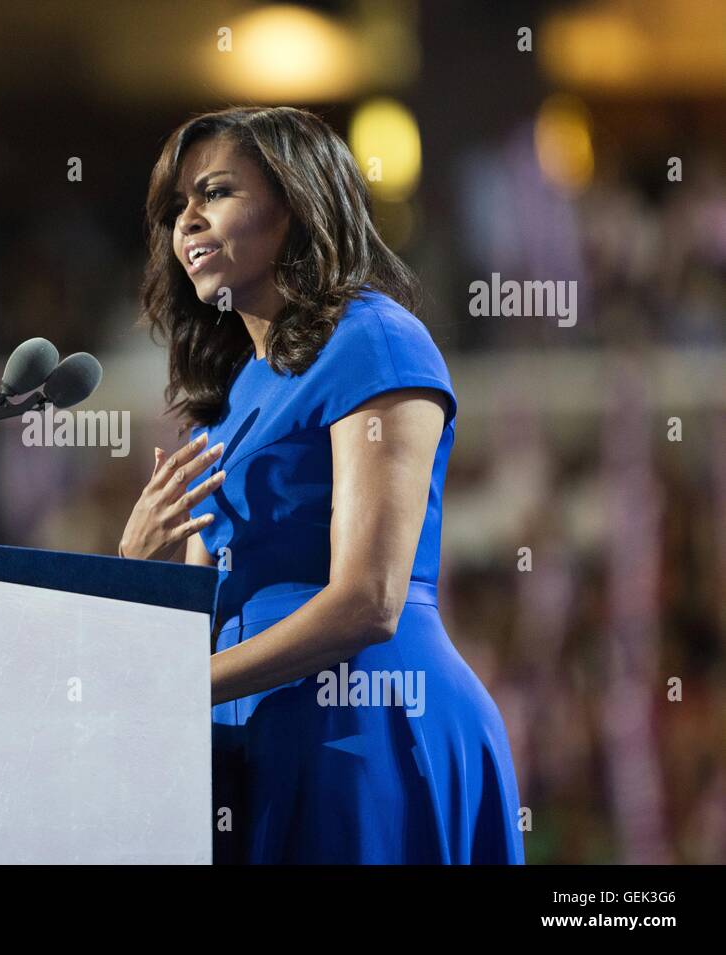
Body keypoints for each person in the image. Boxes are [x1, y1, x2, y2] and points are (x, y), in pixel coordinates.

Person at [119, 106, 524, 864]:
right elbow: (198, 616)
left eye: (214, 192)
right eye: (177, 206)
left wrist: (178, 683)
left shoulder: (373, 339)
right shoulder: (229, 395)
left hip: (363, 725)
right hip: (246, 740)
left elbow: (368, 599)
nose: (188, 219)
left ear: (296, 201)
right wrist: (134, 563)